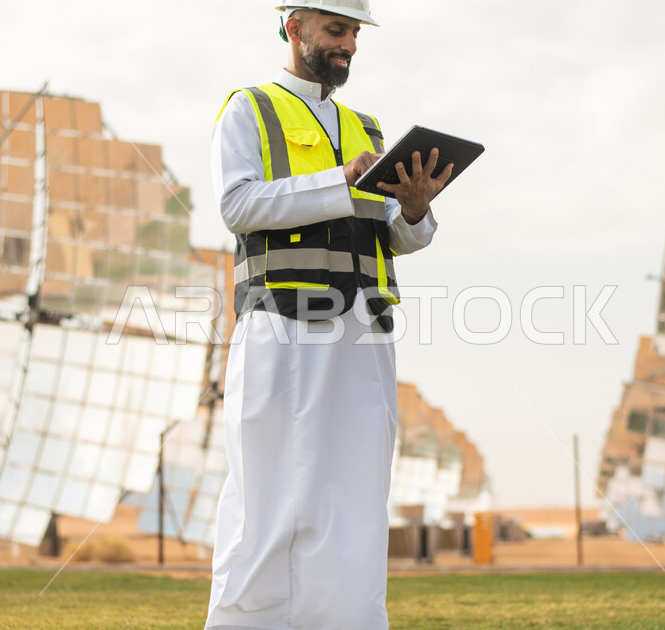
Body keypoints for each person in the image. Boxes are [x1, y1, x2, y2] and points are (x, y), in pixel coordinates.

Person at [206, 2, 453, 628]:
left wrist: (418, 209)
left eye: (354, 34)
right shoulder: (249, 109)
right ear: (296, 28)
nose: (349, 45)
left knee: (356, 503)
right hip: (284, 329)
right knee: (269, 503)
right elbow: (237, 205)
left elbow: (396, 236)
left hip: (364, 338)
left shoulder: (368, 129)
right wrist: (338, 182)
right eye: (337, 31)